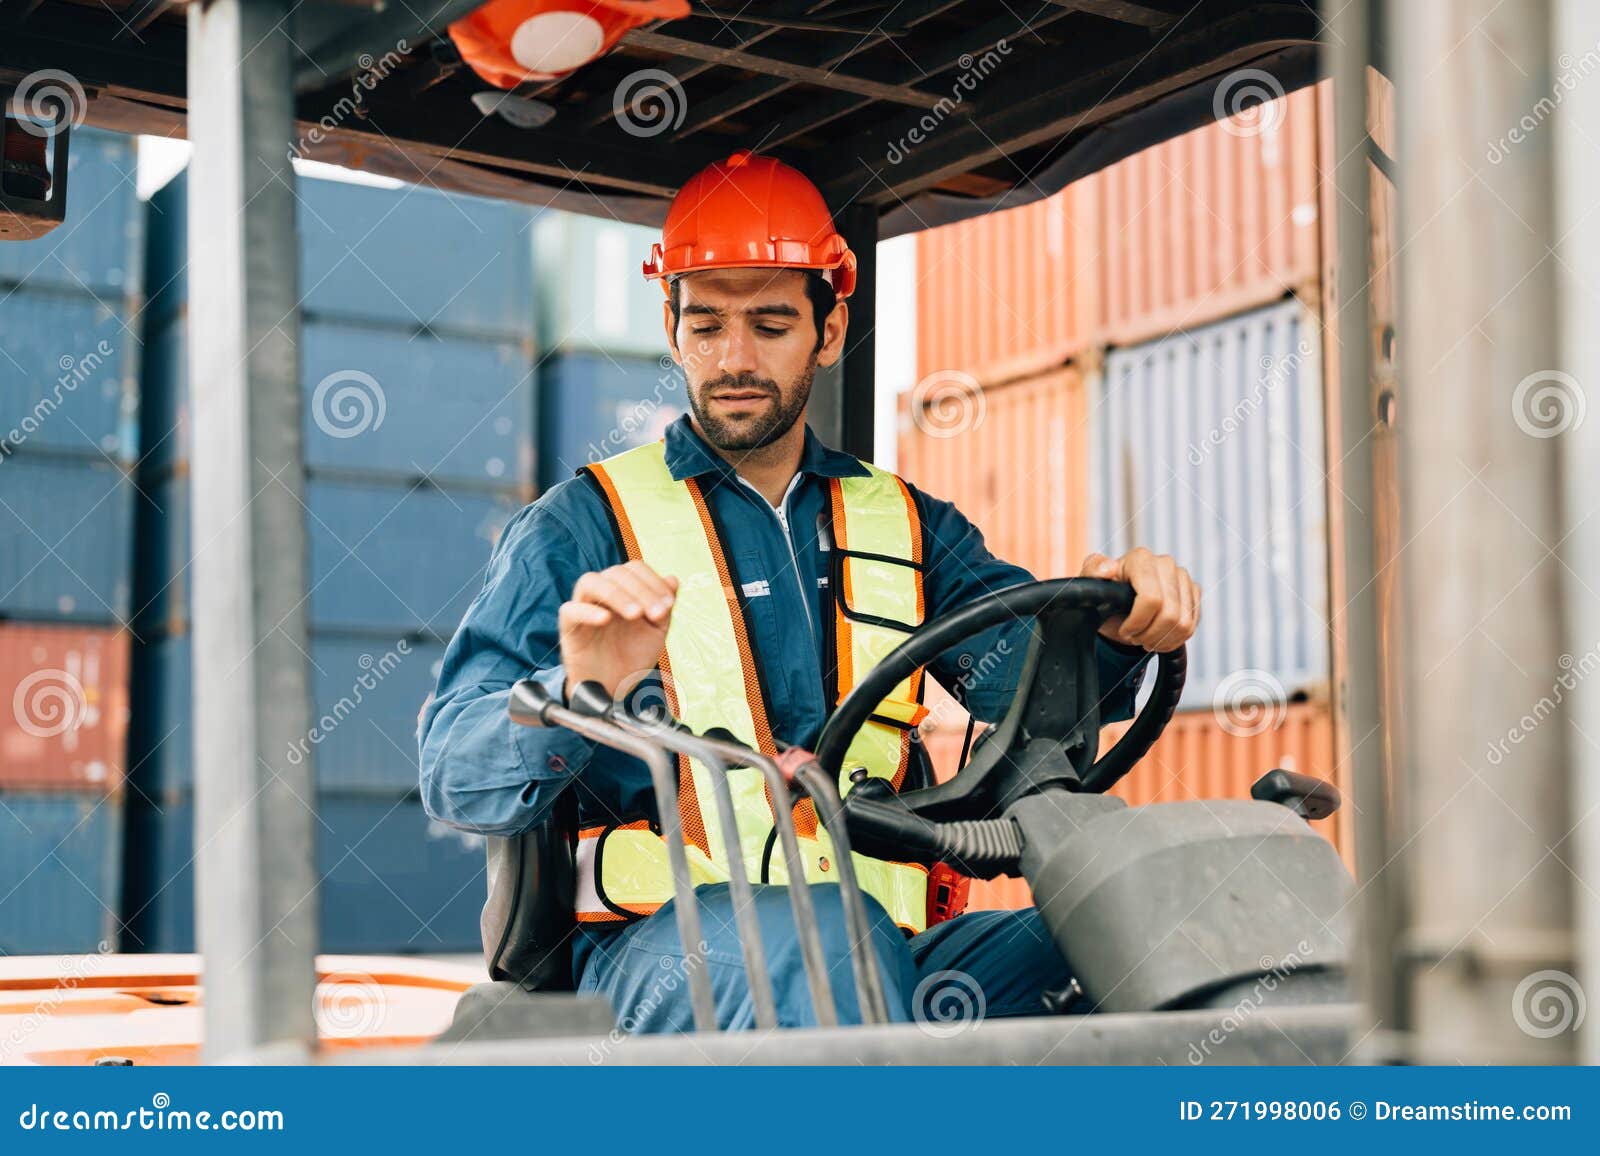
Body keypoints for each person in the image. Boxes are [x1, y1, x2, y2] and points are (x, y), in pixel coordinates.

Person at [420, 151, 1201, 1032]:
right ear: (672, 328)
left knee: (1171, 920)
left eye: (771, 323)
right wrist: (576, 690)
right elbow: (453, 769)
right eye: (706, 325)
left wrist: (1123, 631)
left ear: (829, 332)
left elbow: (1028, 697)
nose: (733, 359)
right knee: (820, 931)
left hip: (896, 957)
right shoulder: (581, 526)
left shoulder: (911, 526)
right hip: (659, 959)